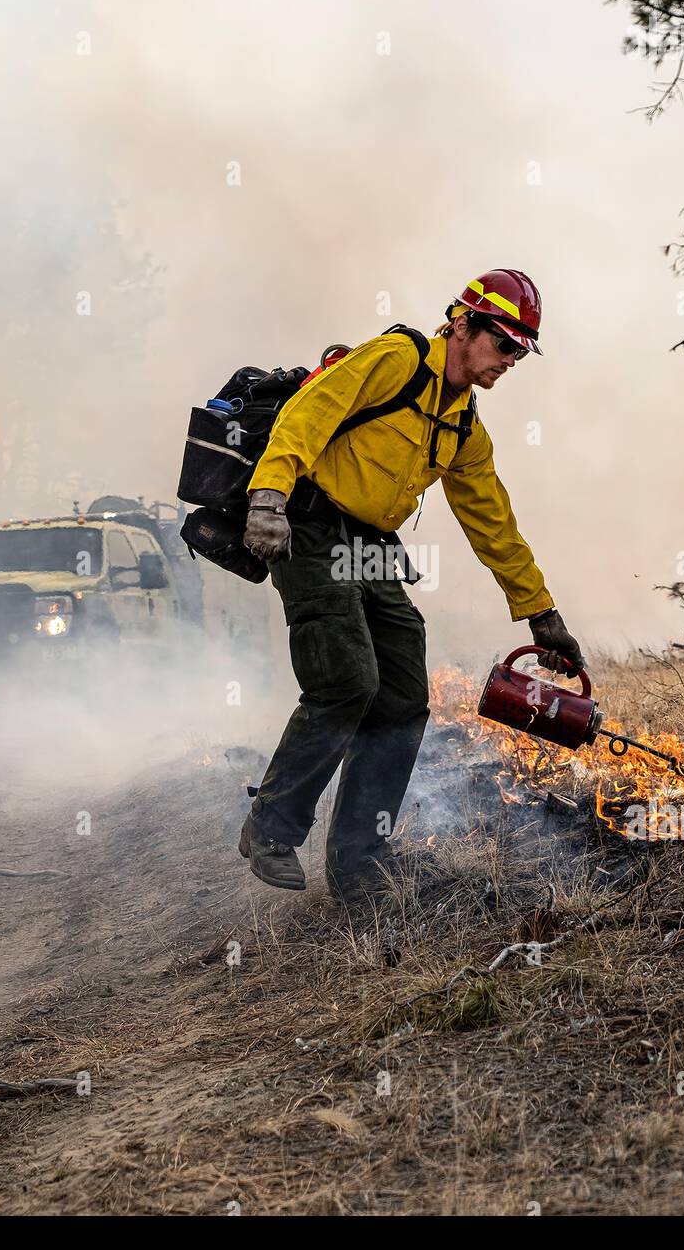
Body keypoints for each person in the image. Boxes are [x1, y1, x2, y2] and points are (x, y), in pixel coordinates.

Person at [237, 268, 582, 901]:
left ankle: (360, 861)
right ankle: (271, 827)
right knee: (346, 679)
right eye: (504, 344)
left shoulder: (463, 428)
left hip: (370, 547)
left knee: (400, 694)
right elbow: (308, 414)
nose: (511, 361)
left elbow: (492, 521)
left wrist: (540, 613)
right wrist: (267, 497)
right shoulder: (395, 360)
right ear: (463, 325)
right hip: (309, 526)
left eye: (521, 352)